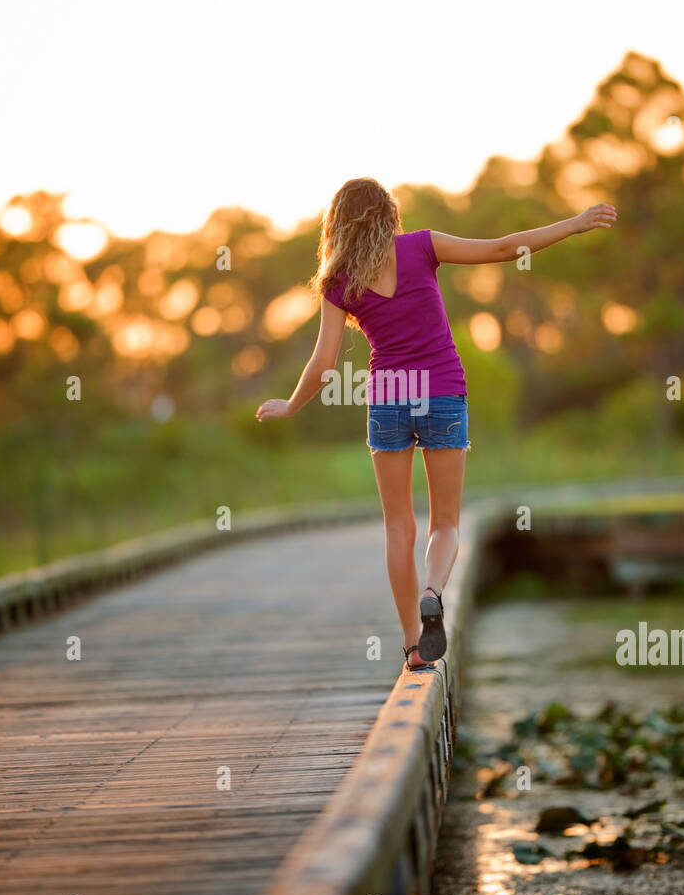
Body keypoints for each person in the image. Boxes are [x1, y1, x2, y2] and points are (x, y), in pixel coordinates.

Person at [257, 177, 617, 669]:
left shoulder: (337, 281)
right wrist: (573, 225)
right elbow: (507, 248)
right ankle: (433, 590)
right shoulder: (423, 246)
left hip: (388, 400)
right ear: (388, 212)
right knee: (445, 522)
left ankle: (412, 646)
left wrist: (292, 405)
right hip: (443, 391)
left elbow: (323, 364)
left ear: (336, 225)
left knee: (397, 528)